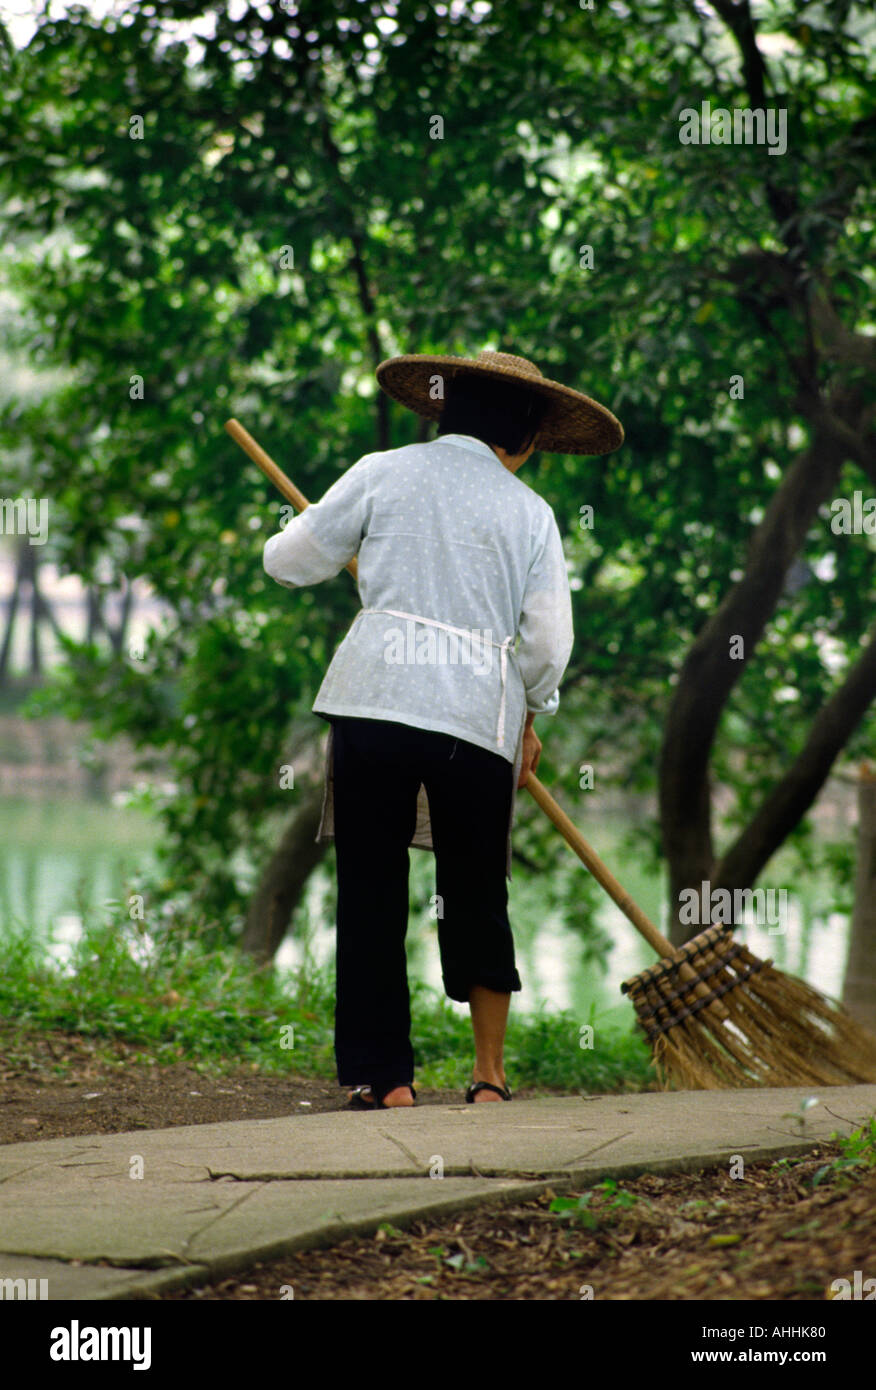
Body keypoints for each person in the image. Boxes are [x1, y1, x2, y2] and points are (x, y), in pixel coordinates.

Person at [262, 349, 623, 1108]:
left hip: (372, 704)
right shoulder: (530, 513)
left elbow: (291, 563)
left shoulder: (382, 470)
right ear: (524, 436)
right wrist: (532, 714)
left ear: (445, 410)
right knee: (475, 891)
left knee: (369, 891)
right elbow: (549, 644)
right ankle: (489, 1077)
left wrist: (313, 535)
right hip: (475, 717)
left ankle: (385, 1079)